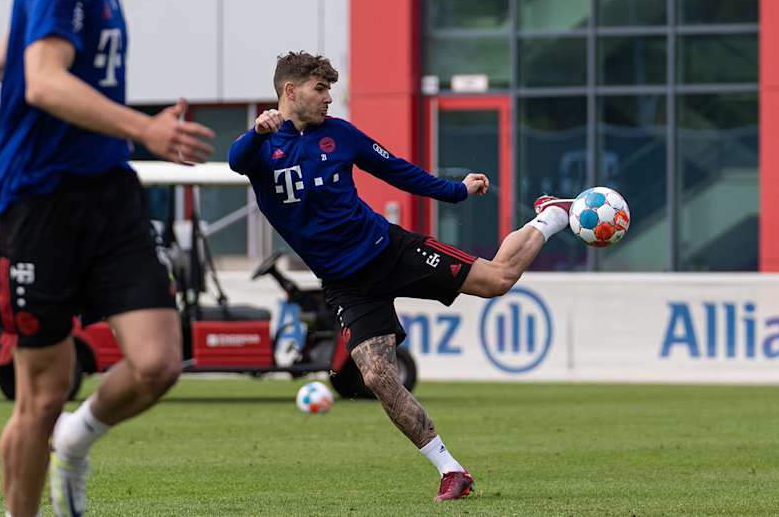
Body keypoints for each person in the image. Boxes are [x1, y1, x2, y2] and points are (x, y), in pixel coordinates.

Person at [228, 52, 573, 502]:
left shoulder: (340, 135)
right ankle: (452, 470)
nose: (330, 98)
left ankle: (551, 217)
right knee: (377, 379)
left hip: (389, 251)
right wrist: (256, 130)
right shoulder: (261, 147)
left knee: (498, 281)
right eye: (320, 89)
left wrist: (455, 191)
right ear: (290, 92)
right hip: (346, 285)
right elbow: (236, 159)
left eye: (331, 89)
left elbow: (396, 169)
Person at [0, 0, 214, 515]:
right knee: (41, 394)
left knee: (159, 362)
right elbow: (41, 79)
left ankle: (77, 440)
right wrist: (145, 130)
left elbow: (5, 64)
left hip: (107, 194)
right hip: (39, 205)